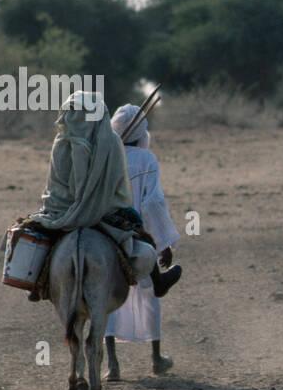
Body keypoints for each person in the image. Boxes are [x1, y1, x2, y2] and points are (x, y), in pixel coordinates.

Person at [26, 90, 181, 299]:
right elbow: (116, 186)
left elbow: (53, 183)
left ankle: (35, 282)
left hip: (59, 210)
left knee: (33, 231)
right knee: (136, 223)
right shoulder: (104, 143)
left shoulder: (60, 142)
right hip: (96, 211)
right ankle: (158, 280)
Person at [104, 103, 183, 379]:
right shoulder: (147, 160)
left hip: (105, 232)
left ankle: (112, 365)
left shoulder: (106, 156)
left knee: (106, 296)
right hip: (134, 236)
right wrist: (163, 243)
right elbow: (152, 203)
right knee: (150, 291)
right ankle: (156, 359)